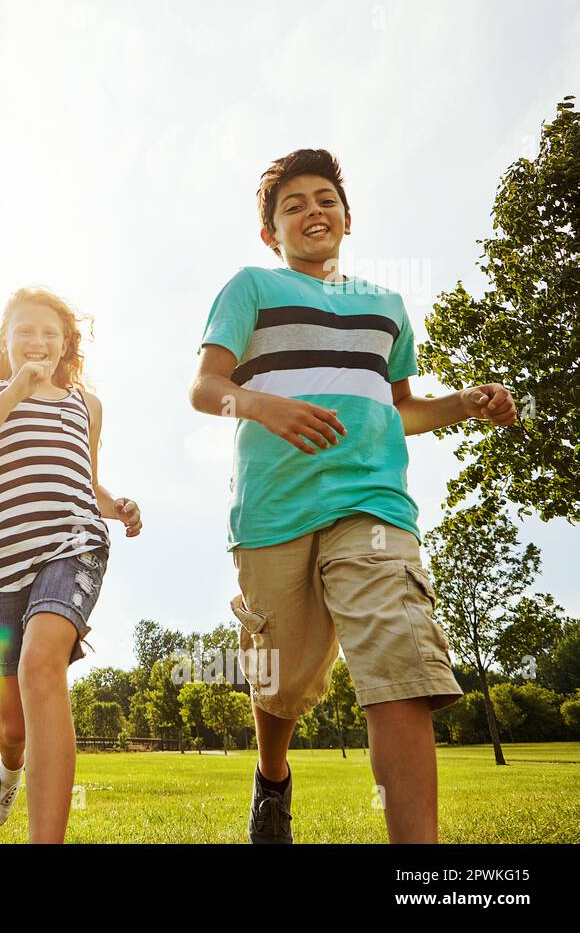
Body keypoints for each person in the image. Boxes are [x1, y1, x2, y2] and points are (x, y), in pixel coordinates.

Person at [189, 148, 517, 843]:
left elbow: (401, 408)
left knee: (399, 666)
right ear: (269, 234)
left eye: (325, 199)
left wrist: (465, 401)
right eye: (293, 205)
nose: (313, 211)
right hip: (273, 513)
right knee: (282, 680)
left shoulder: (387, 306)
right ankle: (272, 774)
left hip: (374, 509)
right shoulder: (250, 287)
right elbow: (205, 388)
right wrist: (260, 405)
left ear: (348, 216)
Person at [0, 287, 141, 843]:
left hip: (73, 546)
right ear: (4, 341)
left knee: (40, 665)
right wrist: (14, 392)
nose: (38, 340)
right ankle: (10, 763)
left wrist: (116, 506)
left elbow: (86, 481)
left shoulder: (86, 406)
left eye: (50, 332)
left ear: (66, 344)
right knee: (10, 725)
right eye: (25, 330)